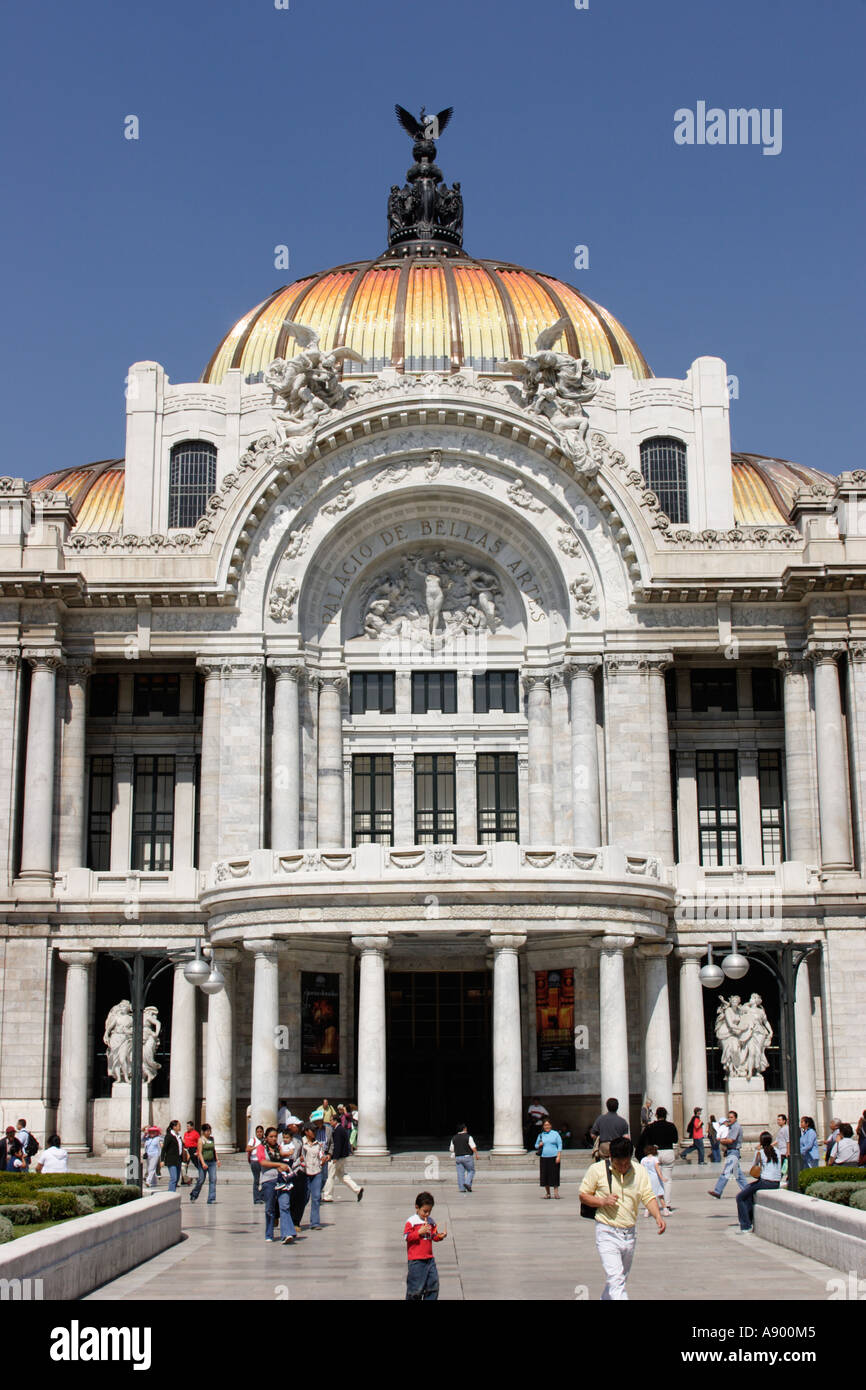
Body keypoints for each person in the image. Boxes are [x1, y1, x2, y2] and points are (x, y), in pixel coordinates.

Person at [579, 1135, 666, 1300]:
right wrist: (602, 1201)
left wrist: (658, 1216)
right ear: (611, 1158)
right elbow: (583, 1195)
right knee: (616, 1278)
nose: (623, 1167)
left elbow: (648, 1196)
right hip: (607, 1231)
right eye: (619, 1164)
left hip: (629, 1234)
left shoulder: (639, 1170)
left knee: (619, 1279)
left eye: (626, 1163)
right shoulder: (597, 1170)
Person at [404, 1191, 447, 1301]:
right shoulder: (411, 1221)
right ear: (417, 1207)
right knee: (415, 1289)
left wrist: (439, 1237)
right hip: (416, 1260)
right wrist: (419, 1232)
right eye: (425, 1211)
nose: (427, 1214)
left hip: (429, 1259)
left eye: (429, 1211)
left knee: (433, 1285)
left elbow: (433, 1235)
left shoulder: (431, 1222)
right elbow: (407, 1237)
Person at [735, 1131, 782, 1233]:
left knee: (740, 1197)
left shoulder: (760, 1152)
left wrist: (757, 1150)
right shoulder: (777, 1151)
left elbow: (754, 1167)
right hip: (776, 1182)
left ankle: (745, 1225)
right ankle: (749, 1220)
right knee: (748, 1189)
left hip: (765, 1182)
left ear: (761, 1141)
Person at [257, 1126, 298, 1244]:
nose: (274, 1139)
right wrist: (277, 1165)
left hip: (281, 1179)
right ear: (266, 1137)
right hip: (268, 1180)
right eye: (271, 1136)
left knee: (284, 1205)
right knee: (270, 1208)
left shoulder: (278, 1147)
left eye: (275, 1136)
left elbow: (283, 1155)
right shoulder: (261, 1148)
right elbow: (263, 1162)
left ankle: (287, 1233)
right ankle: (269, 1233)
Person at [636, 1107, 678, 1209]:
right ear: (666, 1115)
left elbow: (643, 1140)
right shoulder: (671, 1126)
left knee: (654, 1178)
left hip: (655, 1153)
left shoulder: (651, 1127)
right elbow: (675, 1140)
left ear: (656, 1115)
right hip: (668, 1152)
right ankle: (667, 1204)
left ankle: (652, 1203)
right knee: (667, 1179)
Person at [708, 1110, 749, 1200]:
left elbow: (731, 1140)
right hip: (731, 1151)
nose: (729, 1119)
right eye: (728, 1117)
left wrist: (721, 1140)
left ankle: (718, 1191)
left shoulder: (735, 1127)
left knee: (726, 1172)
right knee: (737, 1173)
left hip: (733, 1152)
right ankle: (747, 1190)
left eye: (731, 1117)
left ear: (735, 1118)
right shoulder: (730, 1127)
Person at [323, 1116, 363, 1201]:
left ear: (335, 1121)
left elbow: (338, 1145)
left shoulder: (338, 1130)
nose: (330, 1122)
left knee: (330, 1176)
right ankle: (357, 1189)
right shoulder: (341, 1129)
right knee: (342, 1175)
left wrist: (335, 1157)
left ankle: (327, 1196)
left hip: (337, 1158)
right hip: (342, 1158)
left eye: (331, 1120)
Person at [300, 1122, 328, 1229]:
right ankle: (296, 1219)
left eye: (315, 1130)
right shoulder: (301, 1142)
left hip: (316, 1172)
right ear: (306, 1132)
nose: (314, 1133)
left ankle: (315, 1222)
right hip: (305, 1173)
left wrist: (324, 1159)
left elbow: (321, 1157)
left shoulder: (318, 1144)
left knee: (316, 1197)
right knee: (304, 1198)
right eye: (312, 1130)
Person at [191, 1123, 219, 1203]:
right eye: (207, 1131)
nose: (208, 1132)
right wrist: (203, 1163)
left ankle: (211, 1198)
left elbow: (213, 1150)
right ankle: (194, 1194)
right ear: (203, 1131)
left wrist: (217, 1160)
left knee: (213, 1179)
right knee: (201, 1180)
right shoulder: (201, 1140)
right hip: (204, 1161)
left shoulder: (212, 1139)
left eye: (209, 1130)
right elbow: (199, 1153)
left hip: (212, 1162)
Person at [535, 1118, 563, 1199]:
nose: (547, 1126)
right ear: (543, 1126)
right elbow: (536, 1145)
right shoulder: (541, 1135)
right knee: (545, 1175)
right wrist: (539, 1145)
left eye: (548, 1125)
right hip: (544, 1157)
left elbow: (560, 1145)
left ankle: (556, 1193)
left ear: (551, 1125)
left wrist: (559, 1156)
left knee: (555, 1175)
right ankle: (548, 1193)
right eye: (545, 1125)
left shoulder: (555, 1134)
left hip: (554, 1157)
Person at [639, 1143, 667, 1216]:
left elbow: (641, 1170)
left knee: (649, 1195)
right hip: (655, 1179)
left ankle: (647, 1210)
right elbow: (658, 1170)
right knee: (660, 1194)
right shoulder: (655, 1159)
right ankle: (665, 1210)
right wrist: (662, 1178)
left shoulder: (643, 1160)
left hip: (647, 1179)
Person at [449, 1125, 477, 1194]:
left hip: (458, 1157)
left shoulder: (454, 1138)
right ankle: (467, 1183)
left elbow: (451, 1149)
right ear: (464, 1129)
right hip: (467, 1157)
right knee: (471, 1171)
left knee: (460, 1173)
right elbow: (473, 1146)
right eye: (466, 1128)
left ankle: (462, 1188)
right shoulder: (468, 1137)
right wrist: (476, 1154)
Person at [160, 1120, 184, 1192]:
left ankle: (171, 1191)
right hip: (171, 1160)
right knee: (173, 1178)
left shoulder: (179, 1136)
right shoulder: (169, 1136)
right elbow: (164, 1149)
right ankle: (171, 1194)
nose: (180, 1127)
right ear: (174, 1127)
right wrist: (162, 1160)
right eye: (179, 1125)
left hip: (178, 1159)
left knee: (176, 1178)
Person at [247, 1124, 266, 1205]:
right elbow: (247, 1148)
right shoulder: (253, 1140)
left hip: (262, 1161)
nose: (259, 1133)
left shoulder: (265, 1140)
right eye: (257, 1132)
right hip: (254, 1161)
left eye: (260, 1132)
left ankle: (262, 1196)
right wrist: (256, 1147)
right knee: (256, 1180)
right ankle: (256, 1199)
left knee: (265, 1180)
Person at [182, 1121, 200, 1186]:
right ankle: (184, 1178)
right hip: (186, 1149)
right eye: (187, 1126)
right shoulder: (185, 1133)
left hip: (193, 1149)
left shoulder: (196, 1134)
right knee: (185, 1165)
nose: (187, 1127)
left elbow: (199, 1143)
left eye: (188, 1126)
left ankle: (201, 1176)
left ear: (192, 1127)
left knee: (196, 1163)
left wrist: (198, 1151)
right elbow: (184, 1140)